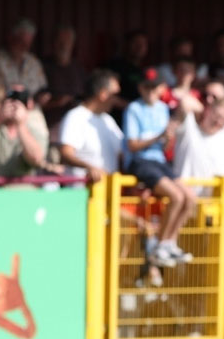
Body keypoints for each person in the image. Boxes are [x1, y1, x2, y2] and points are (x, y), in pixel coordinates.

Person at [121, 76, 201, 269]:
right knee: (176, 196)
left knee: (189, 197)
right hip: (141, 162)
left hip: (159, 161)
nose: (150, 91)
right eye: (147, 86)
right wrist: (160, 136)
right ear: (141, 88)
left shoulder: (162, 109)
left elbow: (165, 146)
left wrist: (168, 136)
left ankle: (169, 243)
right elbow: (132, 145)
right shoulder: (133, 109)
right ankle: (159, 246)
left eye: (154, 87)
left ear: (161, 88)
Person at [57, 68, 124, 181]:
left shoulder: (108, 120)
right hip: (81, 194)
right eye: (115, 94)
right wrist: (90, 168)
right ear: (103, 94)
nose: (117, 100)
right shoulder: (75, 116)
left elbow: (122, 154)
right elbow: (66, 153)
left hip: (109, 194)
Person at [0, 87, 50, 179]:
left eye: (21, 98)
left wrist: (20, 125)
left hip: (22, 188)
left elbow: (36, 159)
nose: (15, 103)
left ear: (29, 104)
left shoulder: (35, 124)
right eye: (11, 97)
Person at [0, 18, 48, 98]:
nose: (24, 47)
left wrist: (38, 99)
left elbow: (43, 89)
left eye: (27, 44)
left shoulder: (34, 63)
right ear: (11, 38)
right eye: (20, 42)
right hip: (2, 107)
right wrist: (7, 93)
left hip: (31, 108)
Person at [43, 24, 86, 119]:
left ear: (72, 44)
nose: (63, 45)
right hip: (53, 121)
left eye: (67, 41)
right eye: (60, 41)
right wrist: (57, 102)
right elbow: (36, 104)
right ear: (53, 43)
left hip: (77, 120)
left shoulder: (78, 68)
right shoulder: (43, 67)